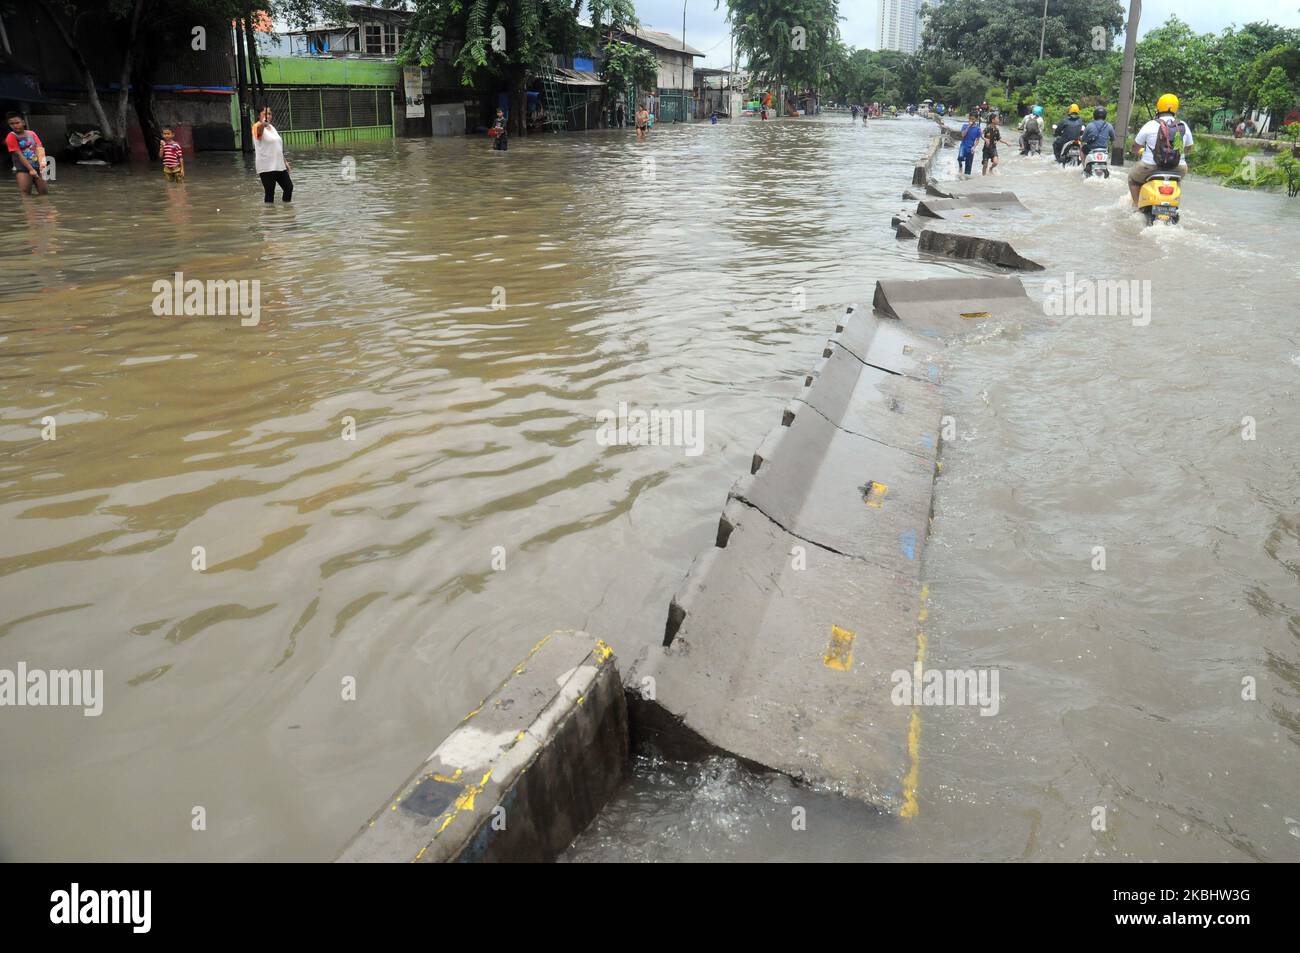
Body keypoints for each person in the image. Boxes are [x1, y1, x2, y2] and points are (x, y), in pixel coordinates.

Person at [1128, 93, 1193, 208]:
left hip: (1150, 166)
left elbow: (1135, 147)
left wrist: (1138, 151)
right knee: (1176, 182)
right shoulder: (1183, 125)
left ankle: (1137, 206)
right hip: (1178, 167)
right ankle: (1174, 204)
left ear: (1158, 108)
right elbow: (1189, 148)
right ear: (1176, 108)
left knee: (1132, 179)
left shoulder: (1150, 125)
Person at [252, 105, 292, 203]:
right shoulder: (257, 126)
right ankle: (269, 216)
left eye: (269, 114)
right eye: (265, 114)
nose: (268, 116)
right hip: (266, 166)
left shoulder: (272, 127)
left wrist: (285, 162)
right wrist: (262, 124)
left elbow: (277, 146)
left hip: (279, 165)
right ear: (259, 115)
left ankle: (287, 212)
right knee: (270, 193)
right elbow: (259, 133)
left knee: (289, 188)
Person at [6, 112, 47, 196]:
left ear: (23, 123)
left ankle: (44, 209)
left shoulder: (32, 133)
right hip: (23, 169)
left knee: (44, 192)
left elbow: (40, 149)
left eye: (17, 123)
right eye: (11, 124)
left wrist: (42, 166)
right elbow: (19, 154)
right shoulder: (11, 136)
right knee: (25, 193)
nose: (15, 125)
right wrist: (31, 169)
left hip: (38, 167)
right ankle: (29, 209)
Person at [957, 112, 981, 178]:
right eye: (970, 119)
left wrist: (974, 147)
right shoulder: (964, 126)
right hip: (963, 146)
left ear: (976, 119)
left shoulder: (978, 129)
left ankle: (965, 181)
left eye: (973, 119)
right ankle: (960, 167)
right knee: (960, 157)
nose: (971, 121)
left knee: (968, 167)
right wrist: (968, 127)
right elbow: (962, 135)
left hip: (971, 148)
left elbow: (977, 140)